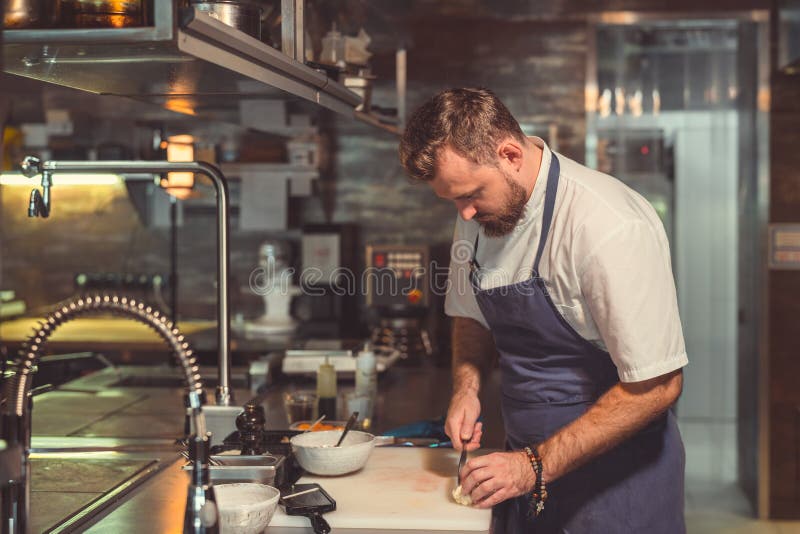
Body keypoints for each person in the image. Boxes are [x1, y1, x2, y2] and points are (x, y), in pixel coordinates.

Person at [399, 88, 687, 533]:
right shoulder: (477, 214)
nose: (466, 213)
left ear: (511, 154)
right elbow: (470, 315)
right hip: (525, 466)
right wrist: (466, 388)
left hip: (619, 480)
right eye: (454, 200)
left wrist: (534, 465)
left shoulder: (608, 225)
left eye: (472, 194)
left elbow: (659, 384)